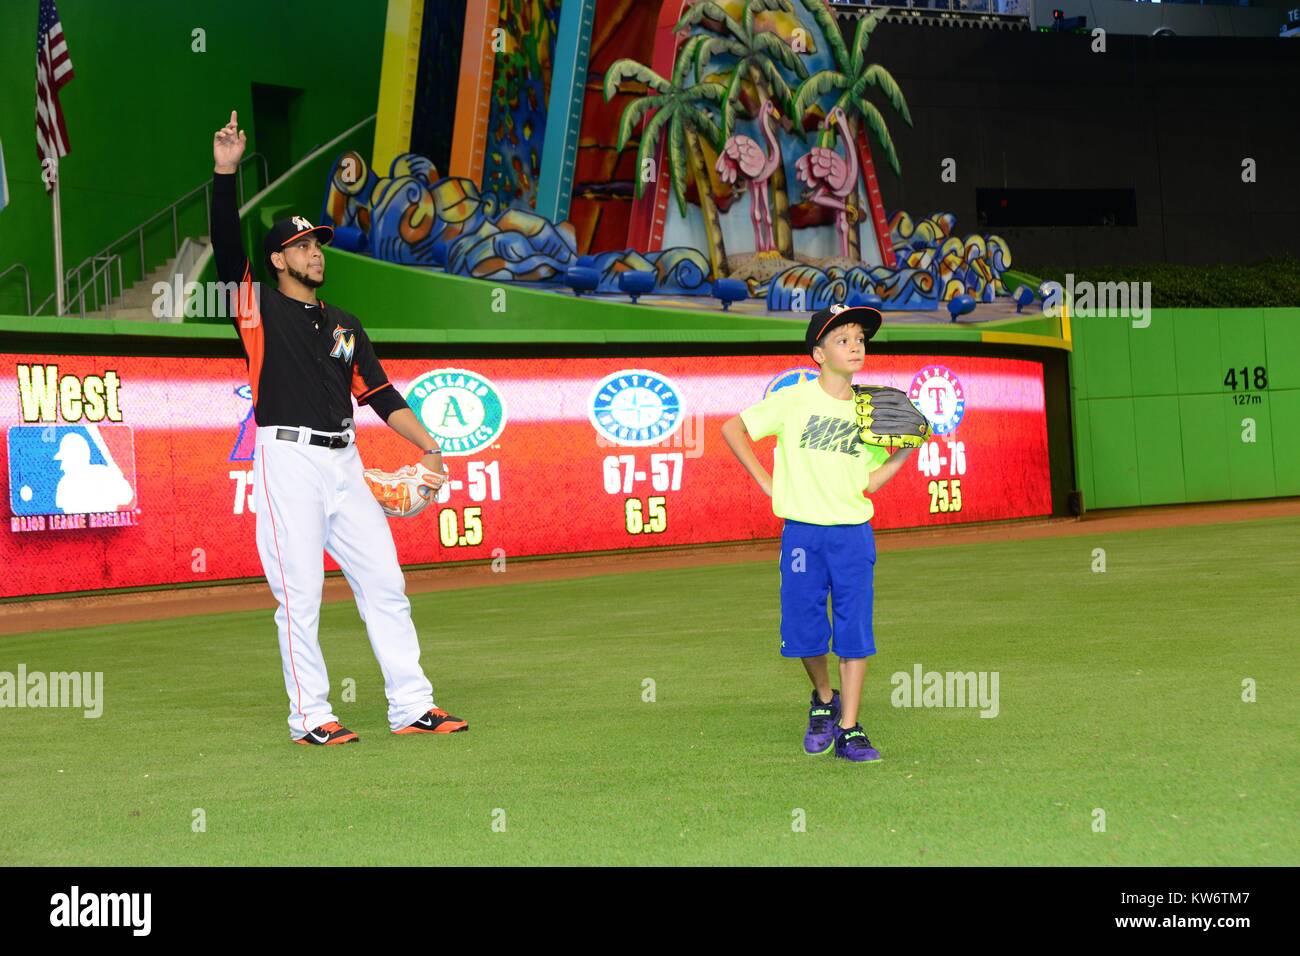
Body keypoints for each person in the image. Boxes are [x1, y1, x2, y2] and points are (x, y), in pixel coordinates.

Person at [211, 110, 467, 745]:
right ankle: (311, 717)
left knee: (385, 582)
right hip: (288, 460)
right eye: (300, 245)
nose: (313, 251)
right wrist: (225, 171)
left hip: (345, 464)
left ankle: (412, 706)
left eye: (317, 243)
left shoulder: (345, 323)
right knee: (299, 595)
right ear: (276, 259)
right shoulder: (256, 308)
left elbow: (380, 394)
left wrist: (430, 447)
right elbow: (223, 249)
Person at [721, 305, 916, 762]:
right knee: (806, 631)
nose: (854, 345)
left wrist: (902, 454)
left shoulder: (870, 411)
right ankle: (823, 699)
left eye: (859, 339)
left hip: (852, 533)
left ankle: (849, 728)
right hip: (803, 536)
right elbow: (733, 428)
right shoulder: (794, 400)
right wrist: (766, 481)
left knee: (854, 632)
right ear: (818, 352)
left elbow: (866, 482)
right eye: (842, 338)